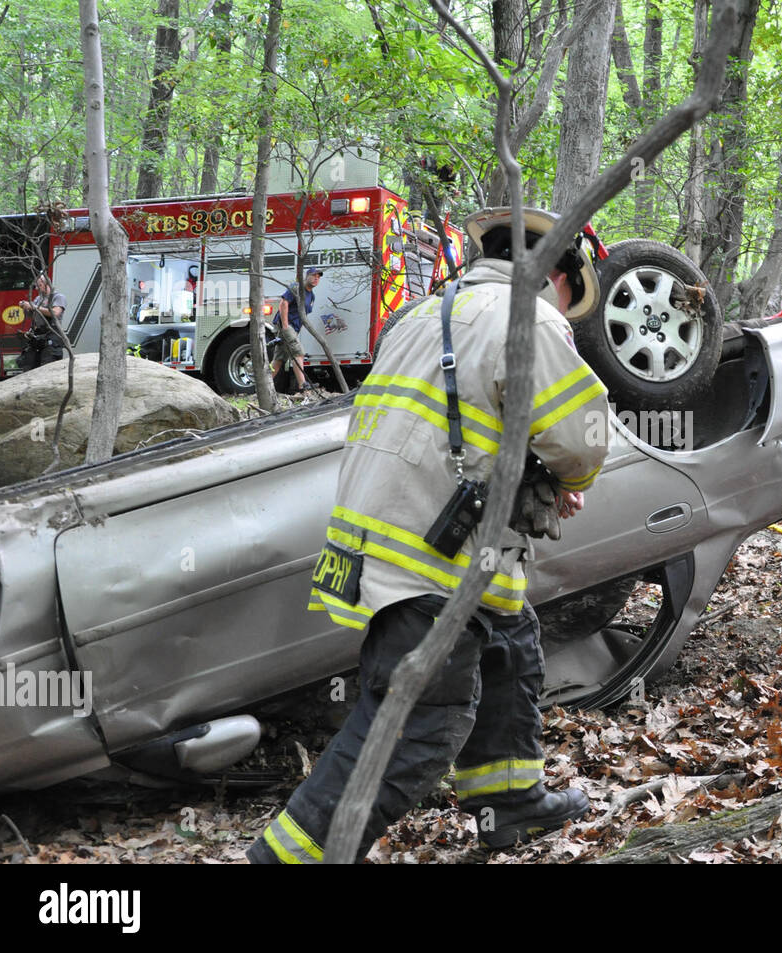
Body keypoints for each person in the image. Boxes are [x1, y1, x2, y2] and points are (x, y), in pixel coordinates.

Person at [247, 207, 609, 863]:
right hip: (427, 555)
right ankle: (288, 858)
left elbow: (464, 417)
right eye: (568, 290)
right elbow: (582, 443)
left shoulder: (423, 313)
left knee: (509, 641)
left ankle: (513, 802)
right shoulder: (527, 316)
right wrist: (563, 474)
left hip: (377, 540)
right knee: (419, 726)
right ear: (555, 270)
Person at [273, 267, 322, 391]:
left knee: (278, 360)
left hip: (294, 328)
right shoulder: (296, 287)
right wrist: (285, 326)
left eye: (319, 276)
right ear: (306, 276)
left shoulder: (312, 296)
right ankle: (303, 385)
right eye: (314, 275)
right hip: (287, 326)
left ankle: (262, 385)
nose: (316, 278)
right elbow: (283, 303)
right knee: (298, 353)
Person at [17, 273, 67, 371]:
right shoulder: (38, 299)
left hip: (52, 339)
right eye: (36, 286)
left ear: (46, 284)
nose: (36, 288)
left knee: (47, 369)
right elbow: (31, 316)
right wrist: (25, 307)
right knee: (28, 367)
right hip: (38, 338)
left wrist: (33, 307)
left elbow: (55, 313)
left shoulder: (58, 297)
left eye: (39, 285)